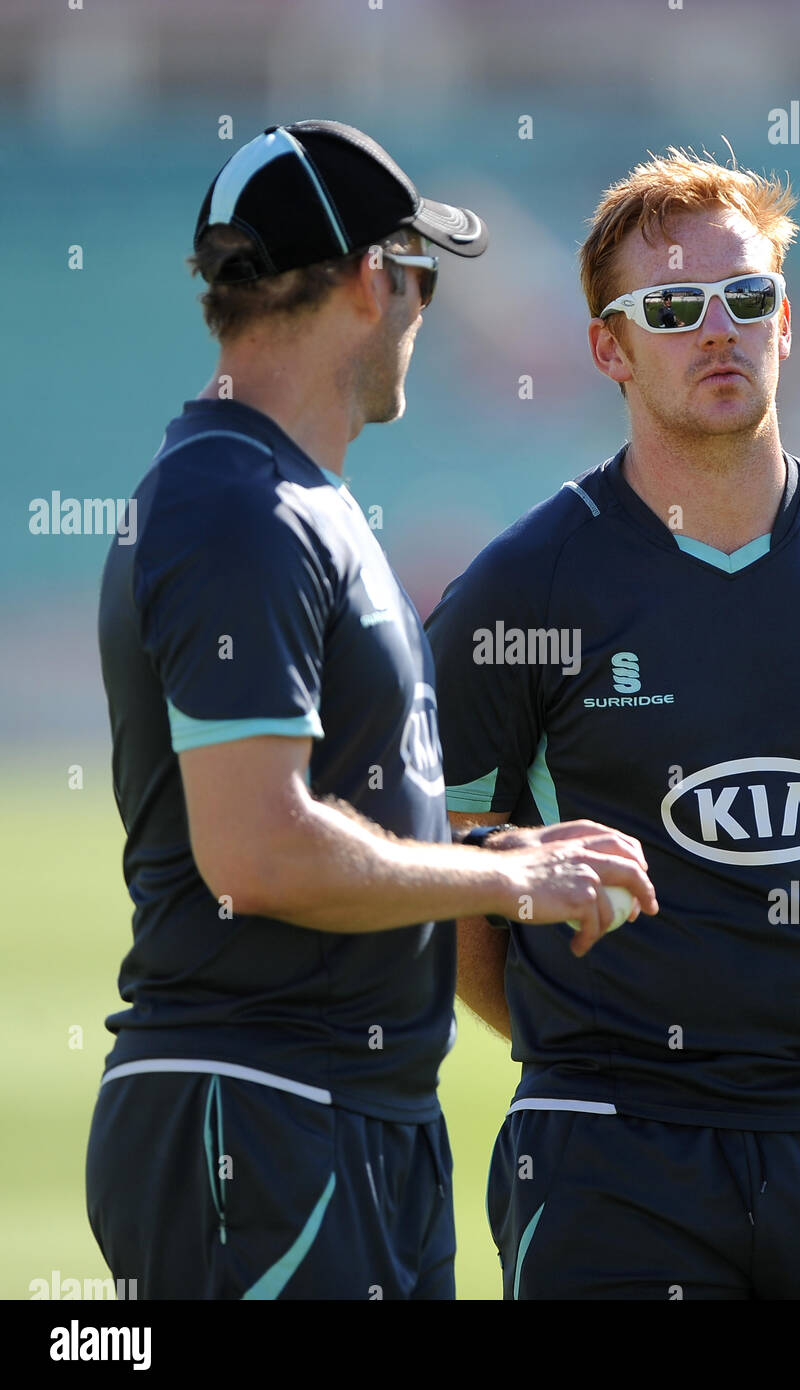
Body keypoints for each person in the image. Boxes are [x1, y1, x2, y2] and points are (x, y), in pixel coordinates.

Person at [85, 120, 656, 1302]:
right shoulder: (235, 504)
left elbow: (324, 821)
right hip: (263, 1120)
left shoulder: (284, 493)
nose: (422, 309)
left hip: (331, 1119)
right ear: (373, 277)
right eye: (424, 276)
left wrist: (489, 848)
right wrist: (503, 885)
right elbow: (259, 853)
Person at [425, 147, 800, 1300]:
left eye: (745, 298)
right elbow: (442, 886)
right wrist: (577, 1032)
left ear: (785, 320)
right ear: (607, 348)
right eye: (672, 307)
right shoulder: (520, 588)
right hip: (609, 1147)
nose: (716, 329)